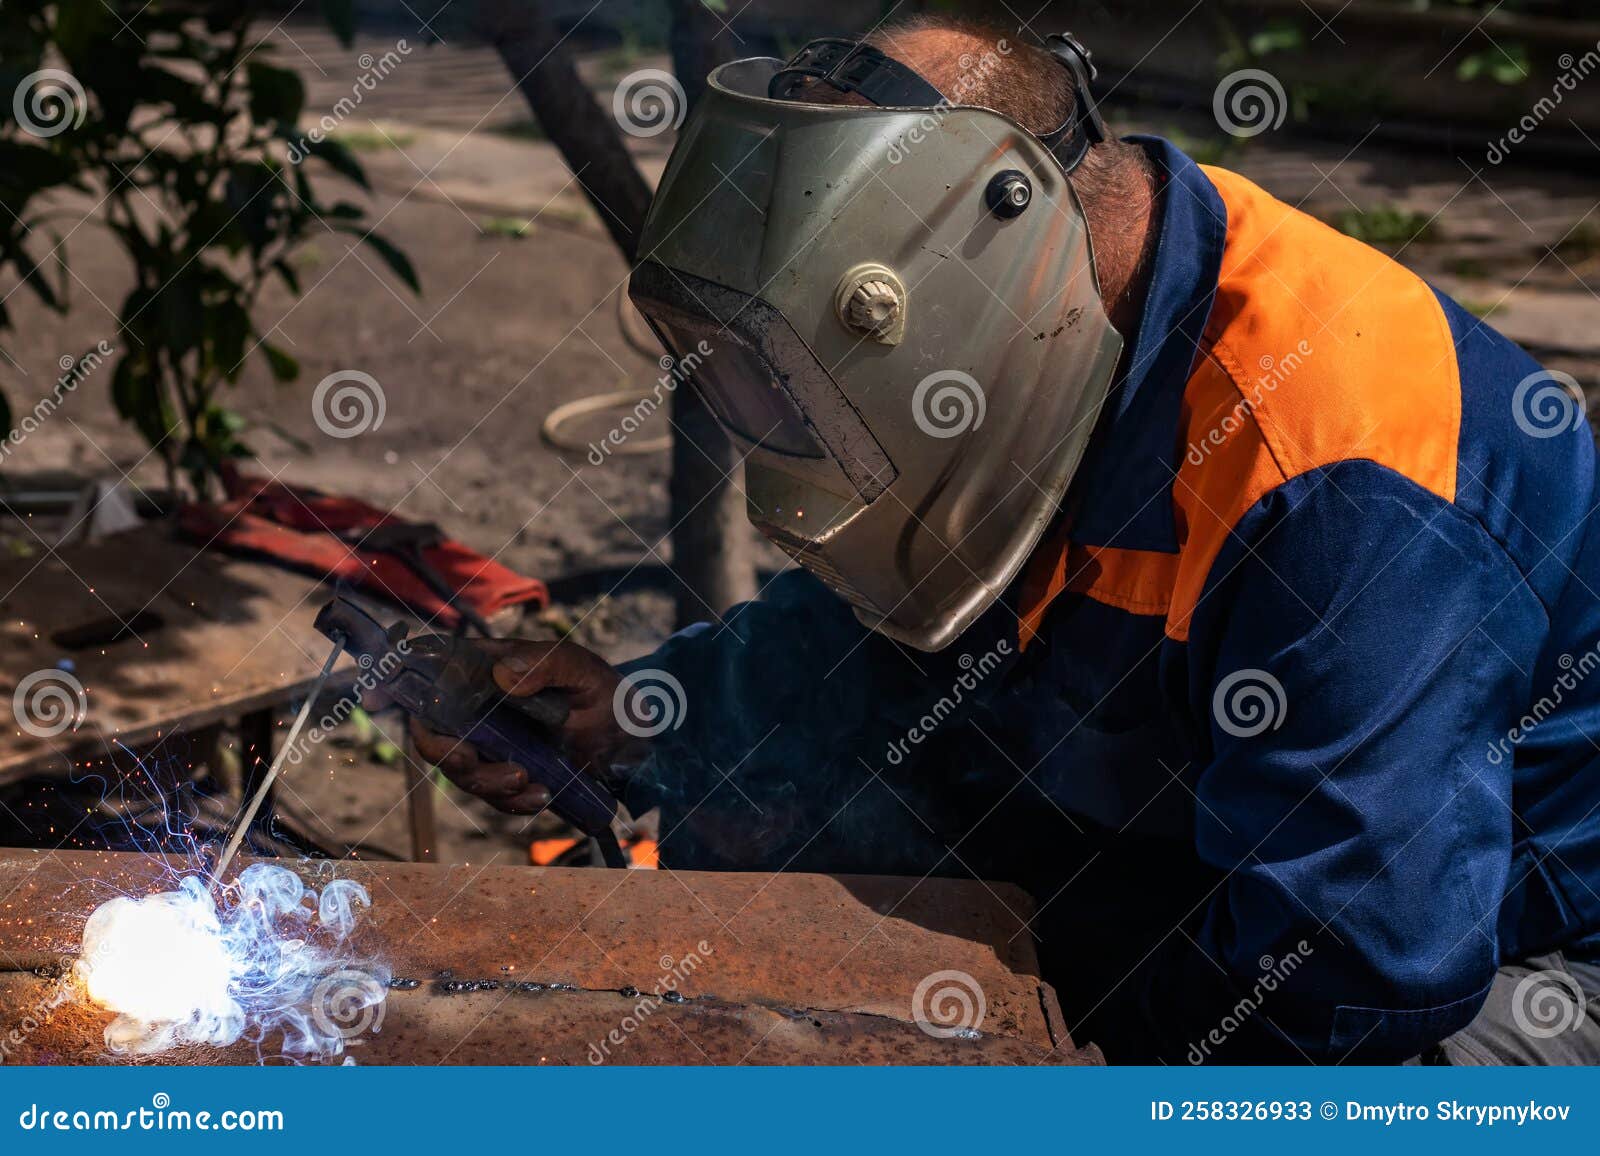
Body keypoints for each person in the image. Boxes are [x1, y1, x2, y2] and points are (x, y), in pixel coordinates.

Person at [413, 17, 1600, 1065]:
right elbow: (886, 636)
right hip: (1224, 850)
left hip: (1506, 962)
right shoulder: (1067, 325)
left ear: (979, 257)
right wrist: (641, 715)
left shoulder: (1331, 479)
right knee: (796, 817)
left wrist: (1081, 1084)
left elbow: (1353, 969)